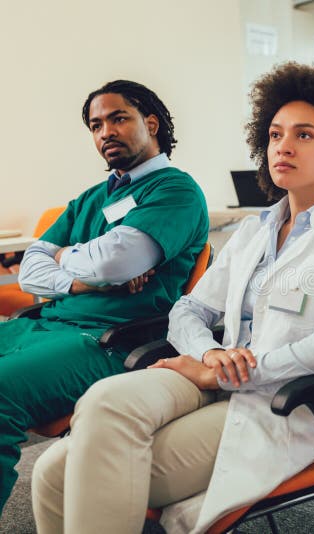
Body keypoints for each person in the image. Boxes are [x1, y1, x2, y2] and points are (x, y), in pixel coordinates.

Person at [31, 62, 314, 534]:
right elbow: (190, 309)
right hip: (212, 377)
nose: (283, 146)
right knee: (71, 441)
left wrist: (228, 370)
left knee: (77, 471)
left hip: (278, 403)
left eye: (304, 136)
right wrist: (208, 354)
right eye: (276, 134)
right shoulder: (252, 231)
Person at [0, 80, 208, 516]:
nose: (105, 132)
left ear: (150, 124)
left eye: (118, 118)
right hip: (48, 322)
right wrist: (80, 278)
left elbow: (115, 263)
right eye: (96, 125)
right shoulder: (91, 198)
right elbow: (31, 268)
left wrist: (67, 257)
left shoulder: (175, 191)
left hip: (109, 341)